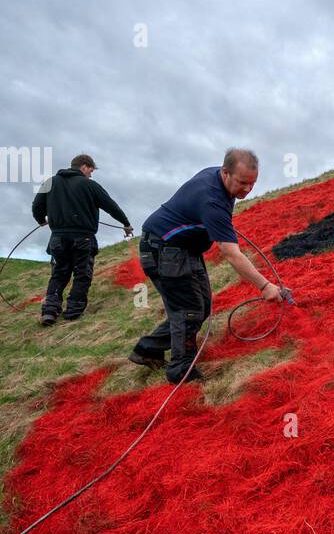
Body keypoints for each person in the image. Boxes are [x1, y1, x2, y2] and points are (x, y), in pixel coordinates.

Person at [129, 148, 281, 383]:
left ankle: (148, 349)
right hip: (164, 251)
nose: (248, 190)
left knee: (201, 305)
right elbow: (231, 254)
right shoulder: (212, 200)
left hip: (182, 249)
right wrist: (264, 286)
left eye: (252, 183)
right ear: (225, 173)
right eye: (242, 183)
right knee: (188, 311)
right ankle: (181, 371)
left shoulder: (217, 180)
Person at [31, 154, 133, 325]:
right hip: (83, 238)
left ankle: (49, 312)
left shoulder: (50, 182)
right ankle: (73, 312)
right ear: (84, 166)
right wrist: (126, 223)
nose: (91, 175)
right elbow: (111, 206)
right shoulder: (90, 185)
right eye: (91, 171)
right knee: (82, 274)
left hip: (57, 238)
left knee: (58, 274)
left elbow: (36, 206)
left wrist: (41, 220)